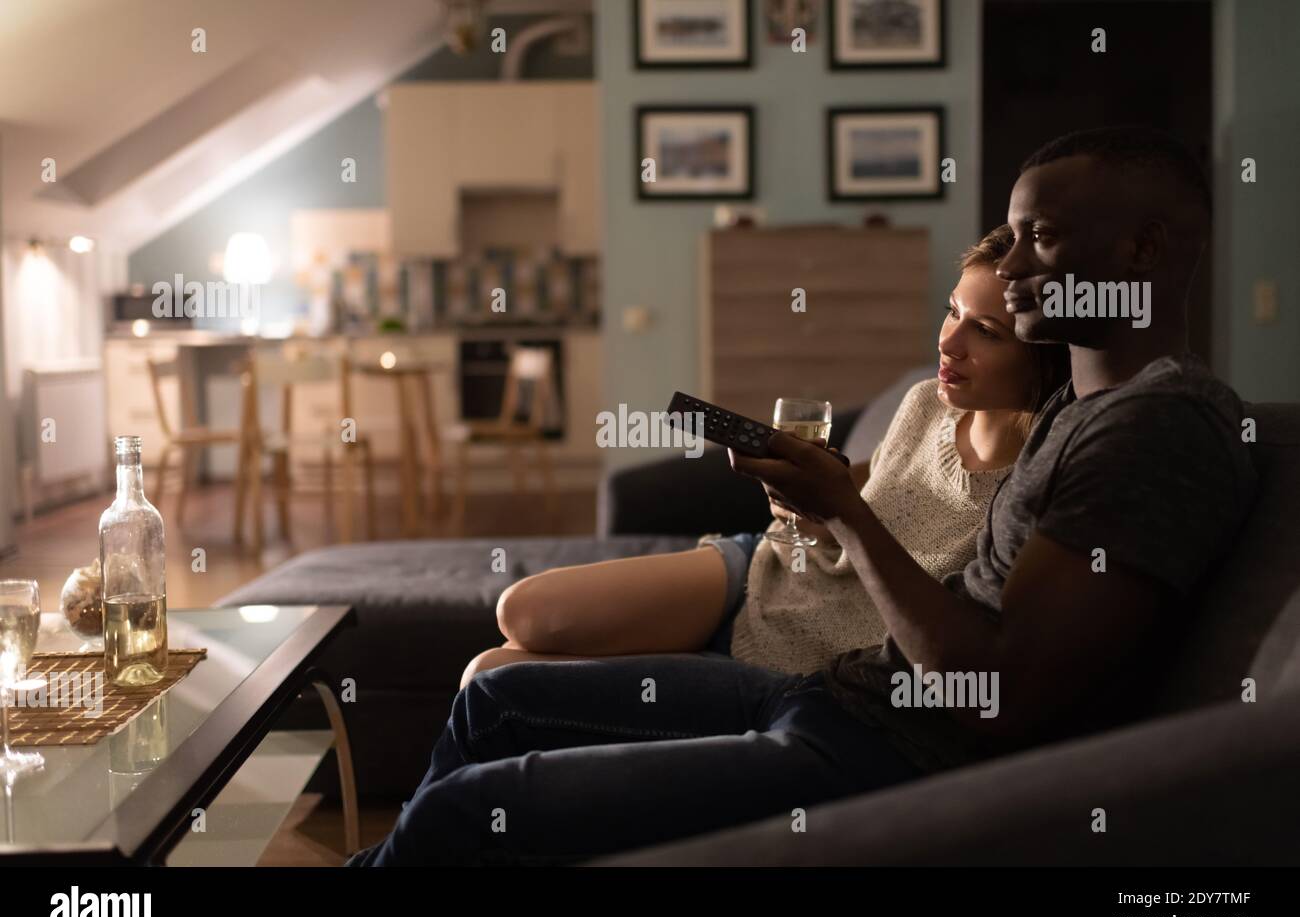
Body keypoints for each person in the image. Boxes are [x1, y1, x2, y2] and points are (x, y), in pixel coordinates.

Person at [349, 127, 1255, 866]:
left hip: (882, 753)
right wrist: (835, 501)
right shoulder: (1077, 403)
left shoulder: (1155, 428)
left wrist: (848, 510)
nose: (1010, 263)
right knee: (493, 701)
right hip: (836, 697)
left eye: (1041, 239)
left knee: (472, 809)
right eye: (1011, 237)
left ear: (1144, 250)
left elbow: (993, 694)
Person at [459, 225, 1067, 687]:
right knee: (522, 611)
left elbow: (938, 627)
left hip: (810, 654)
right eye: (952, 312)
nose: (949, 343)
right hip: (768, 569)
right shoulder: (923, 403)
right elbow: (860, 511)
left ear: (1042, 353)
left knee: (492, 673)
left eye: (985, 332)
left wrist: (837, 515)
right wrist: (808, 506)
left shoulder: (1030, 489)